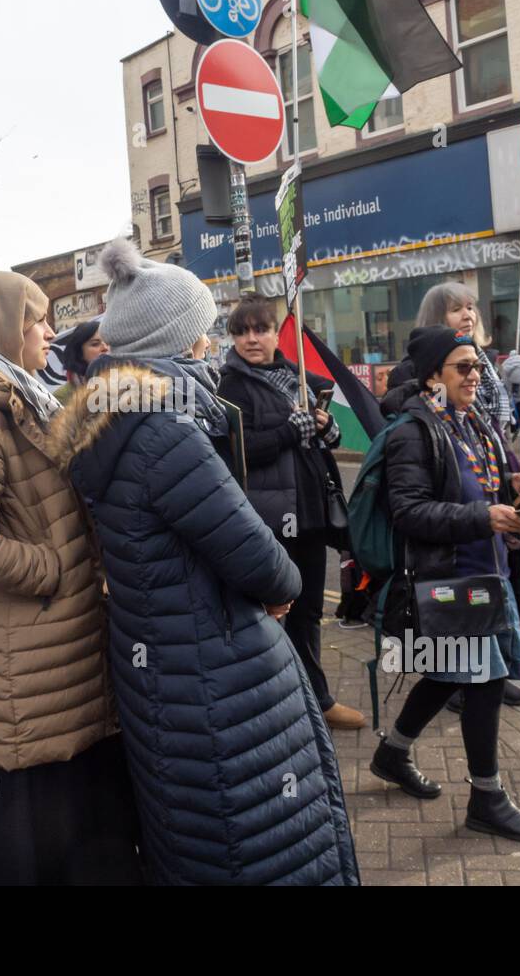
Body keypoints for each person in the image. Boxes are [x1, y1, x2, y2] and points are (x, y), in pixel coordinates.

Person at [51, 238, 359, 885]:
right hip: (214, 671)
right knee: (250, 839)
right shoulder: (164, 430)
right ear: (179, 342)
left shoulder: (108, 420)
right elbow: (265, 563)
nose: (213, 345)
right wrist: (282, 585)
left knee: (193, 835)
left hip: (161, 666)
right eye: (205, 332)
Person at [0, 274, 142, 886]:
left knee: (82, 828)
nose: (50, 332)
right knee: (35, 839)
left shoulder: (25, 400)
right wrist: (58, 570)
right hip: (25, 666)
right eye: (36, 320)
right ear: (1, 329)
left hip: (56, 655)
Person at [369, 327, 520, 842]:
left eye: (478, 365)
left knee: (450, 675)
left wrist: (513, 488)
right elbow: (409, 512)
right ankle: (487, 797)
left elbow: (486, 486)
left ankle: (393, 751)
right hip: (450, 579)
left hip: (483, 570)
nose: (476, 375)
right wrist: (481, 515)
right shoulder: (413, 432)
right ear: (432, 377)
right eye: (463, 367)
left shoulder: (475, 424)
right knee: (484, 682)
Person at [217, 294, 366, 730]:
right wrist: (288, 430)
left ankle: (318, 699)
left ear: (273, 333)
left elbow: (320, 441)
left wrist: (328, 429)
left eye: (260, 329)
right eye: (241, 331)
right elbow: (236, 453)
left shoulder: (297, 377)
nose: (251, 339)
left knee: (308, 611)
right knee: (272, 615)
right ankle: (281, 706)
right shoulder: (229, 385)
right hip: (269, 519)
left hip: (311, 513)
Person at [387, 282, 513, 433]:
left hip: (493, 453)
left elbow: (508, 424)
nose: (468, 316)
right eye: (456, 309)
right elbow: (418, 429)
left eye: (470, 307)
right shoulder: (412, 370)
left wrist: (518, 392)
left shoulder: (487, 362)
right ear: (435, 318)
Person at [45, 317, 109, 403]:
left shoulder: (126, 385)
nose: (105, 348)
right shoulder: (61, 398)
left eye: (108, 342)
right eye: (95, 344)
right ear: (79, 353)